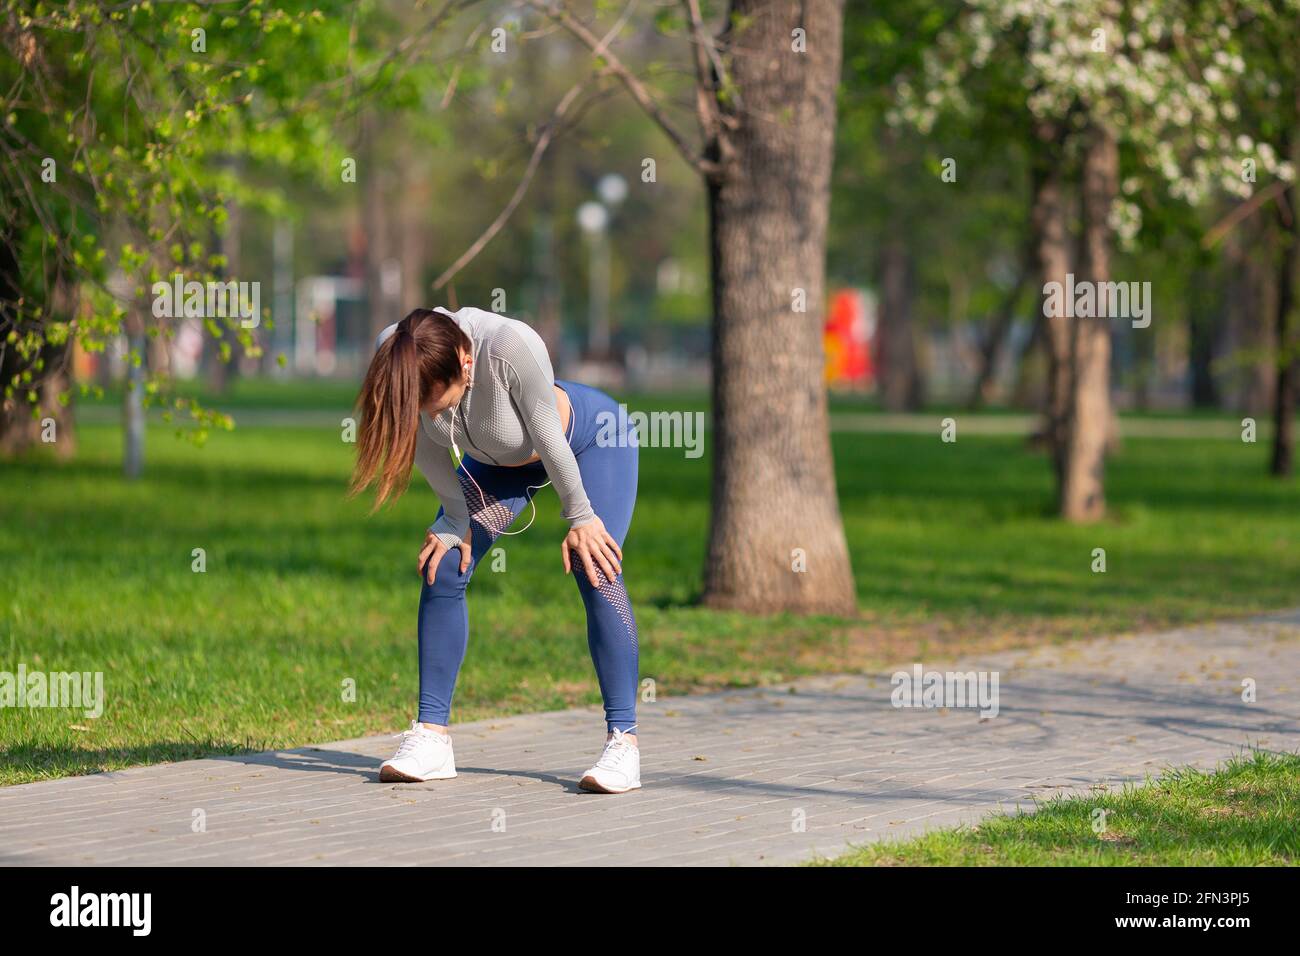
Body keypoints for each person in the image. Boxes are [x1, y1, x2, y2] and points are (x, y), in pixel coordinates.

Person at [349, 306, 641, 793]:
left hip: (589, 441)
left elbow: (549, 438)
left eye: (439, 406)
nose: (433, 417)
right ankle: (432, 737)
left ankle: (624, 744)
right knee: (443, 564)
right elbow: (423, 445)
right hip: (502, 466)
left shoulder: (510, 346)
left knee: (596, 567)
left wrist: (581, 518)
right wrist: (455, 520)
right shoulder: (398, 354)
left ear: (465, 363)